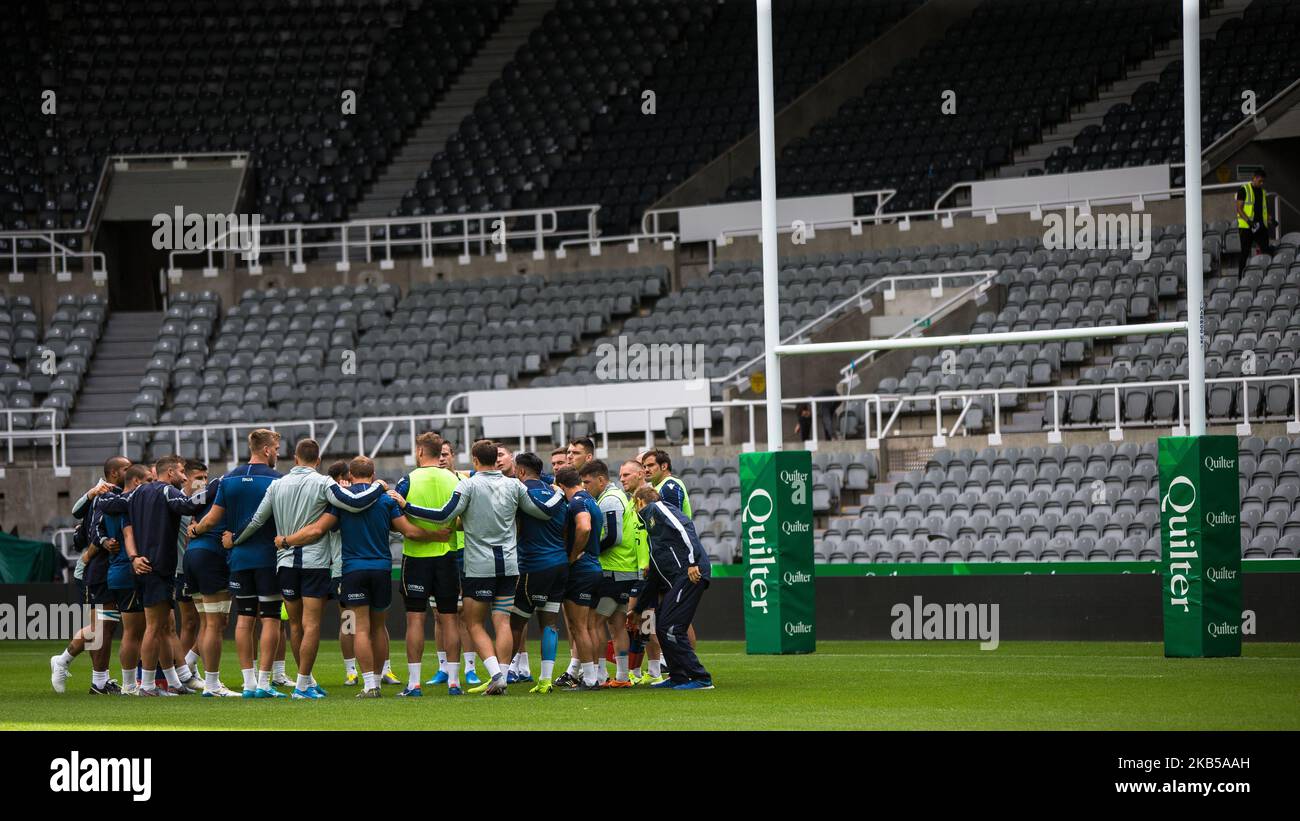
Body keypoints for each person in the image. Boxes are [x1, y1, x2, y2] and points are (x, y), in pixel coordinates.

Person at [392, 439, 561, 695]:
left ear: (474, 459)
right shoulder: (514, 484)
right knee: (503, 622)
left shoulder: (468, 486)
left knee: (474, 623)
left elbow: (441, 515)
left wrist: (407, 506)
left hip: (479, 566)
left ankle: (495, 674)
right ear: (497, 459)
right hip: (509, 564)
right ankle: (502, 676)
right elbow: (543, 512)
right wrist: (558, 492)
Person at [225, 437, 387, 698]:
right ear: (318, 461)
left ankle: (307, 680)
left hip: (285, 564)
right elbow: (356, 503)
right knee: (311, 625)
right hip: (314, 563)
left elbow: (256, 520)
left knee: (296, 626)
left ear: (296, 459)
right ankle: (302, 686)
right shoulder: (324, 483)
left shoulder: (278, 485)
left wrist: (234, 539)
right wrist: (379, 487)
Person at [278, 456, 446, 698]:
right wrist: (436, 535)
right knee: (379, 627)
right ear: (373, 472)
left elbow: (318, 529)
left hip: (352, 570)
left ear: (350, 476)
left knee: (360, 628)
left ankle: (369, 685)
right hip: (381, 569)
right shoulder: (386, 500)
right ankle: (379, 675)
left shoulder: (342, 501)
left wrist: (286, 541)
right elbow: (409, 531)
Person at [188, 429, 284, 698]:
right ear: (266, 450)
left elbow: (212, 519)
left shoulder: (228, 479)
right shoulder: (277, 480)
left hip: (239, 559)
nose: (277, 453)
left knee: (244, 619)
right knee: (270, 619)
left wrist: (194, 531)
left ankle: (248, 683)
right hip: (267, 557)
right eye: (276, 449)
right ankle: (264, 683)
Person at [119, 455, 205, 696]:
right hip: (158, 568)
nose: (185, 477)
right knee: (155, 628)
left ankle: (175, 682)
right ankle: (146, 685)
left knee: (166, 626)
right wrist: (216, 488)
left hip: (146, 566)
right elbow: (189, 506)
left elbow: (114, 507)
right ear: (169, 473)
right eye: (181, 472)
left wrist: (134, 556)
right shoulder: (167, 490)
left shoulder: (136, 494)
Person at [392, 432, 465, 696]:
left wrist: (420, 532)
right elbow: (461, 519)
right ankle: (454, 682)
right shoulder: (455, 479)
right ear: (439, 452)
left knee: (415, 621)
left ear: (421, 452)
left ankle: (414, 683)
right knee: (449, 620)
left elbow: (394, 518)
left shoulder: (407, 481)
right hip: (447, 556)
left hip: (416, 559)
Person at [627, 485, 713, 690]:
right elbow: (654, 577)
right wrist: (637, 610)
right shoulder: (652, 532)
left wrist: (693, 562)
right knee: (662, 625)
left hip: (691, 574)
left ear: (640, 502)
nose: (633, 511)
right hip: (682, 576)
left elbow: (686, 526)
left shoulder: (657, 508)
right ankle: (679, 676)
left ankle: (701, 678)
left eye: (633, 505)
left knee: (671, 627)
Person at [506, 453, 569, 694]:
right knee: (550, 623)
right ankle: (545, 680)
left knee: (515, 624)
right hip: (560, 564)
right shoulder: (556, 494)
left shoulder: (521, 494)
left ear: (520, 471)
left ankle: (499, 675)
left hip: (533, 565)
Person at [581, 460, 639, 687]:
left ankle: (598, 674)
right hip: (625, 570)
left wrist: (589, 551)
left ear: (601, 480)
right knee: (616, 624)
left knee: (593, 624)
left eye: (587, 482)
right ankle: (622, 677)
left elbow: (613, 537)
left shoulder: (610, 500)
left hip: (612, 571)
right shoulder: (617, 496)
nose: (585, 487)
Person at [552, 467, 604, 691]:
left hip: (581, 570)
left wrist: (572, 556)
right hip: (594, 568)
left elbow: (584, 527)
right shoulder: (592, 500)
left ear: (562, 486)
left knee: (578, 627)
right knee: (589, 627)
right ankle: (594, 676)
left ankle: (590, 680)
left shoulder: (577, 502)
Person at [1236, 168, 1277, 274]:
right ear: (1254, 178)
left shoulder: (1263, 192)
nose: (1261, 183)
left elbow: (1264, 210)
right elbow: (1239, 208)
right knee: (1245, 253)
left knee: (1266, 250)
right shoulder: (1244, 189)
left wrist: (1271, 219)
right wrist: (1248, 221)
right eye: (1260, 181)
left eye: (1263, 181)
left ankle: (1267, 274)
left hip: (1261, 226)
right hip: (1247, 227)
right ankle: (1240, 277)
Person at [643, 450, 692, 518]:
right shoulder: (654, 487)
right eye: (644, 467)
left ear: (664, 466)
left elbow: (674, 522)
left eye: (651, 465)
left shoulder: (670, 486)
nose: (646, 470)